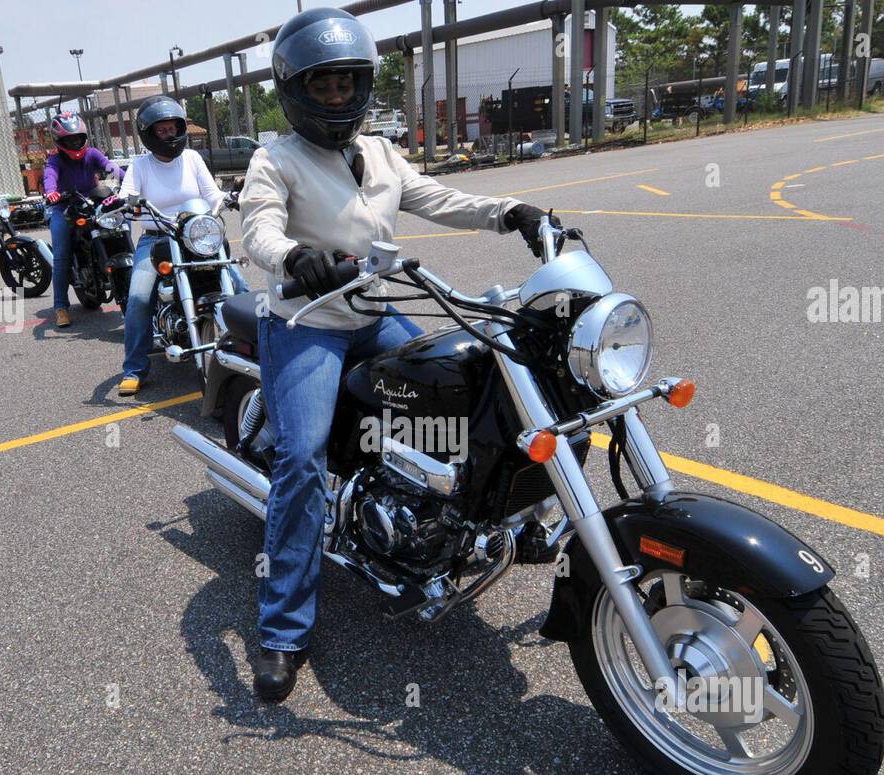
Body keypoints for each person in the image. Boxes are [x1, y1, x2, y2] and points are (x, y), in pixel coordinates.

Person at [239, 7, 557, 701]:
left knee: (465, 380)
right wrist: (295, 257)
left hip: (375, 312)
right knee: (300, 458)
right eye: (322, 86)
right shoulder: (276, 158)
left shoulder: (380, 153)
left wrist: (512, 212)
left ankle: (475, 518)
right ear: (294, 89)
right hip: (307, 322)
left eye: (347, 84)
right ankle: (283, 627)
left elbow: (436, 197)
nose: (337, 98)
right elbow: (255, 231)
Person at [112, 95, 245, 395]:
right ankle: (134, 368)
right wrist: (123, 202)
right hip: (156, 238)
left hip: (197, 235)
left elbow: (212, 196)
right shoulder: (140, 165)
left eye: (172, 128)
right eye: (161, 131)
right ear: (149, 134)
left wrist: (230, 198)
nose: (169, 135)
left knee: (240, 287)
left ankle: (256, 350)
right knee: (138, 299)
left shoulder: (193, 159)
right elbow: (127, 194)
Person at [42, 113, 125, 328]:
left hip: (93, 203)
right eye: (69, 140)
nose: (75, 143)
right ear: (59, 141)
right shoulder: (55, 160)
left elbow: (109, 166)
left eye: (78, 138)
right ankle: (60, 306)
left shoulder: (92, 154)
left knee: (121, 221)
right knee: (61, 254)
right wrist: (51, 192)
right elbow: (50, 176)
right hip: (63, 207)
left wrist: (127, 178)